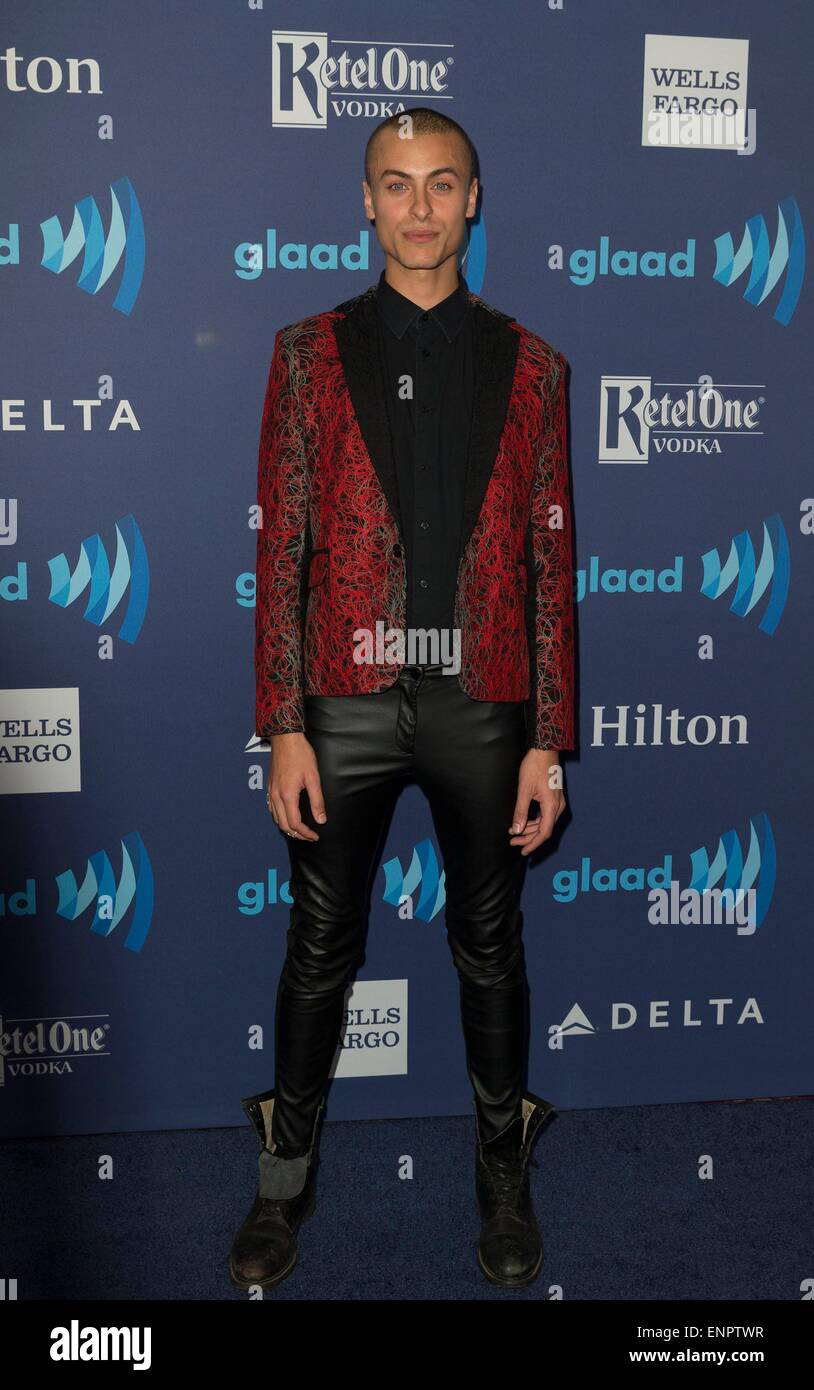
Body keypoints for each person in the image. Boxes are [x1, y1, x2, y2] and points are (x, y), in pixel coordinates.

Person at [229, 107, 575, 1293]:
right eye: (396, 184)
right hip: (345, 701)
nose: (419, 206)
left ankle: (502, 1183)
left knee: (491, 951)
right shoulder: (304, 354)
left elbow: (547, 560)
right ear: (365, 202)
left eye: (441, 184)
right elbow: (283, 554)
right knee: (319, 949)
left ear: (473, 199)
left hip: (486, 704)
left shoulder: (536, 367)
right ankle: (282, 1188)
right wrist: (282, 722)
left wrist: (548, 741)